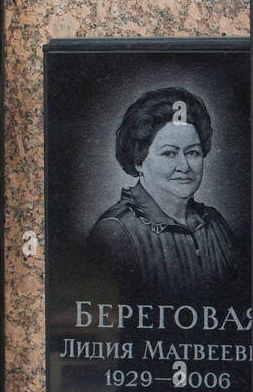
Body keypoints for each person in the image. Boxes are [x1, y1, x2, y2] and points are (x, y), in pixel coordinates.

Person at [88, 87, 239, 304]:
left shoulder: (215, 224)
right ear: (139, 161)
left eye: (193, 152)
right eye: (169, 153)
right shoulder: (115, 232)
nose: (184, 166)